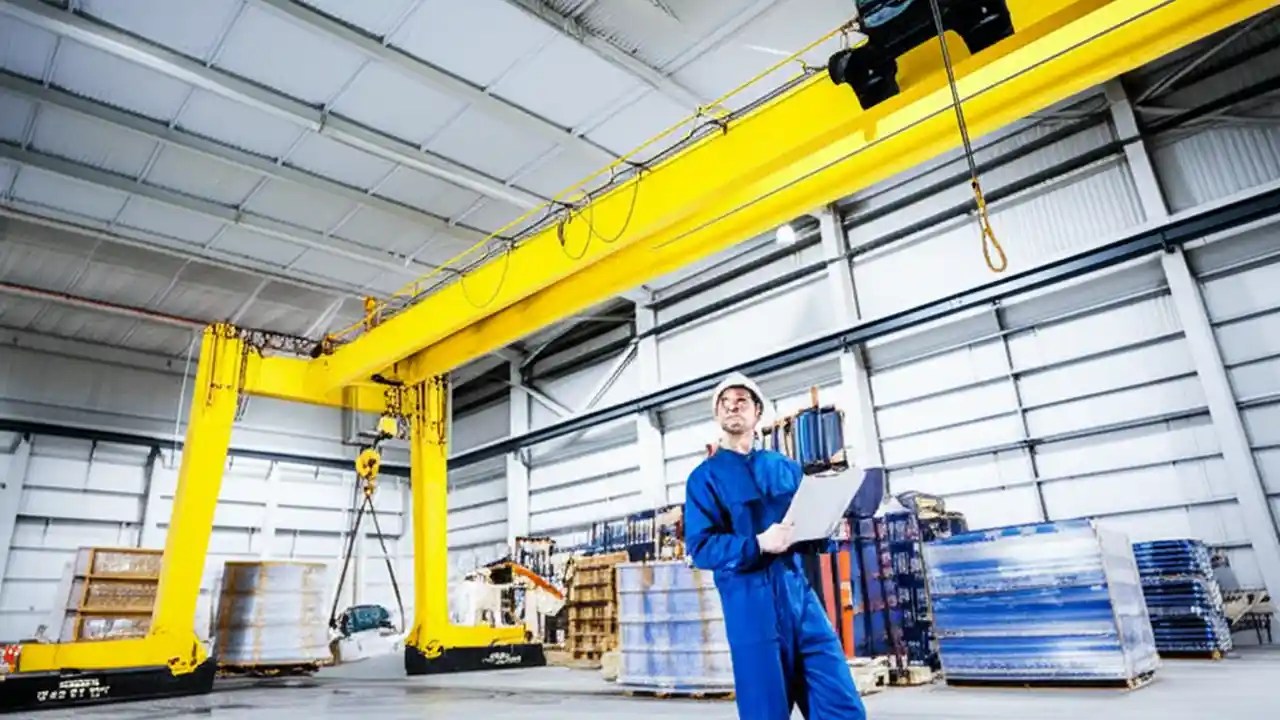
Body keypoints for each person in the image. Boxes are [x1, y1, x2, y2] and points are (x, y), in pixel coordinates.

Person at [683, 372, 867, 720]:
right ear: (717, 415)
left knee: (842, 705)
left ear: (757, 412)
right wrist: (758, 543)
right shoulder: (703, 478)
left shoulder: (785, 468)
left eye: (741, 401)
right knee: (765, 712)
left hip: (800, 598)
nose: (732, 407)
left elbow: (806, 524)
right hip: (750, 607)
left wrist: (826, 523)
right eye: (724, 403)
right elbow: (702, 546)